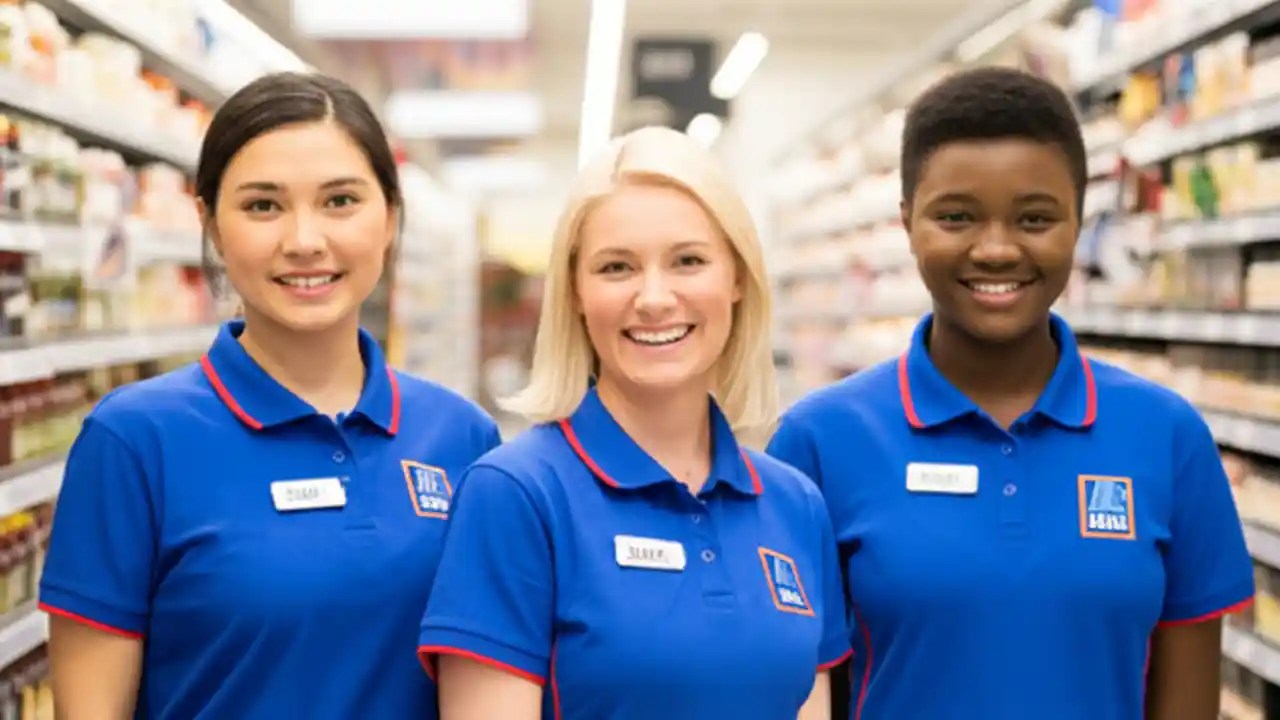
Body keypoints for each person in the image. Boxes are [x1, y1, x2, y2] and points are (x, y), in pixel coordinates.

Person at [766, 65, 1256, 720]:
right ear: (908, 222)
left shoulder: (1167, 437)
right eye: (957, 216)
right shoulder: (820, 442)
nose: (996, 249)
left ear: (1078, 222)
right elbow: (796, 690)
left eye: (1034, 218)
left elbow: (1187, 698)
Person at [37, 71, 501, 719]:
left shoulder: (462, 438)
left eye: (340, 201)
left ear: (391, 218)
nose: (305, 241)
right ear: (213, 226)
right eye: (263, 205)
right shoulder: (135, 440)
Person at [417, 125, 850, 720]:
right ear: (573, 291)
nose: (653, 298)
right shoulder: (518, 494)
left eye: (688, 261)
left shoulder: (794, 504)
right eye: (617, 267)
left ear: (738, 280)